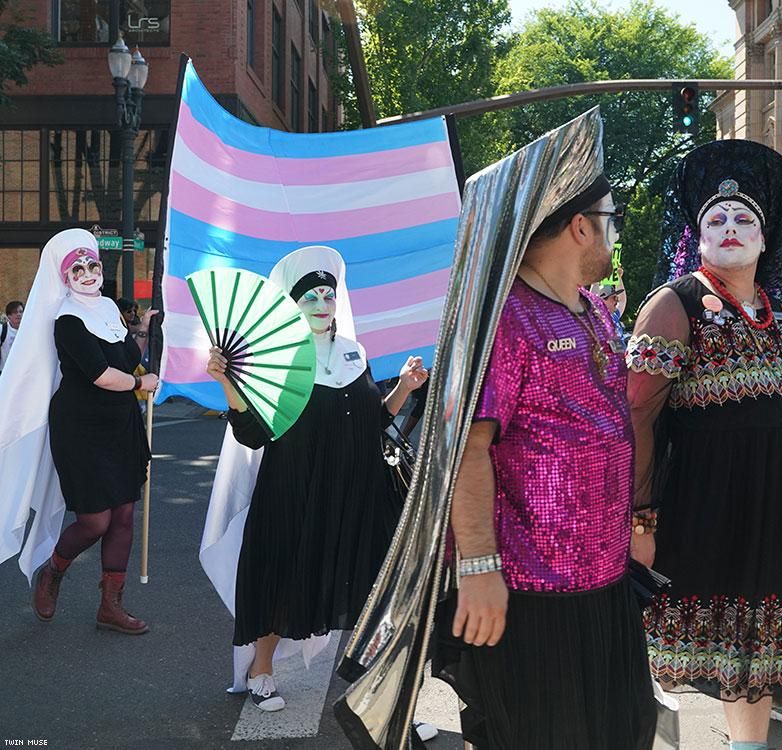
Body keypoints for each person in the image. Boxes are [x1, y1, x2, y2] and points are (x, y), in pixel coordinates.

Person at [627, 140, 782, 749]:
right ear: (695, 236)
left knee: (761, 655)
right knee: (693, 647)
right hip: (706, 510)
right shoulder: (673, 306)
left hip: (778, 513)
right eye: (715, 219)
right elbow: (636, 417)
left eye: (743, 218)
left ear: (766, 235)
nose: (729, 226)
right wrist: (641, 520)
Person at [436, 173, 656, 749]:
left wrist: (636, 525)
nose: (613, 237)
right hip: (532, 596)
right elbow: (465, 447)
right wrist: (478, 569)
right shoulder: (504, 318)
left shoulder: (595, 312)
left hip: (606, 587)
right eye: (612, 221)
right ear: (581, 227)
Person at [201, 245, 428, 712]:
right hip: (294, 488)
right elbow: (252, 433)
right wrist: (226, 381)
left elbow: (372, 421)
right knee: (282, 575)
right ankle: (261, 668)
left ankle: (381, 681)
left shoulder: (352, 352)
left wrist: (403, 387)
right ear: (293, 304)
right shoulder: (274, 358)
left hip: (355, 487)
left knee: (367, 580)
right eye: (311, 297)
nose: (323, 304)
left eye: (328, 295)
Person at [0, 229, 156, 633]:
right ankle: (53, 570)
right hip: (81, 427)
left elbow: (125, 357)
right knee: (95, 520)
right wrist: (142, 384)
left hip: (121, 423)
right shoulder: (66, 319)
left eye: (92, 265)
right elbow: (103, 375)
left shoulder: (107, 307)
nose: (87, 273)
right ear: (64, 276)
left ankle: (111, 607)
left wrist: (140, 330)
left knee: (124, 513)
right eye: (78, 268)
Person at [0, 300, 23, 373]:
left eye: (21, 311)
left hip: (23, 372)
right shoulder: (2, 329)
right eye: (15, 312)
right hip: (5, 371)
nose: (19, 314)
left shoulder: (28, 330)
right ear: (9, 316)